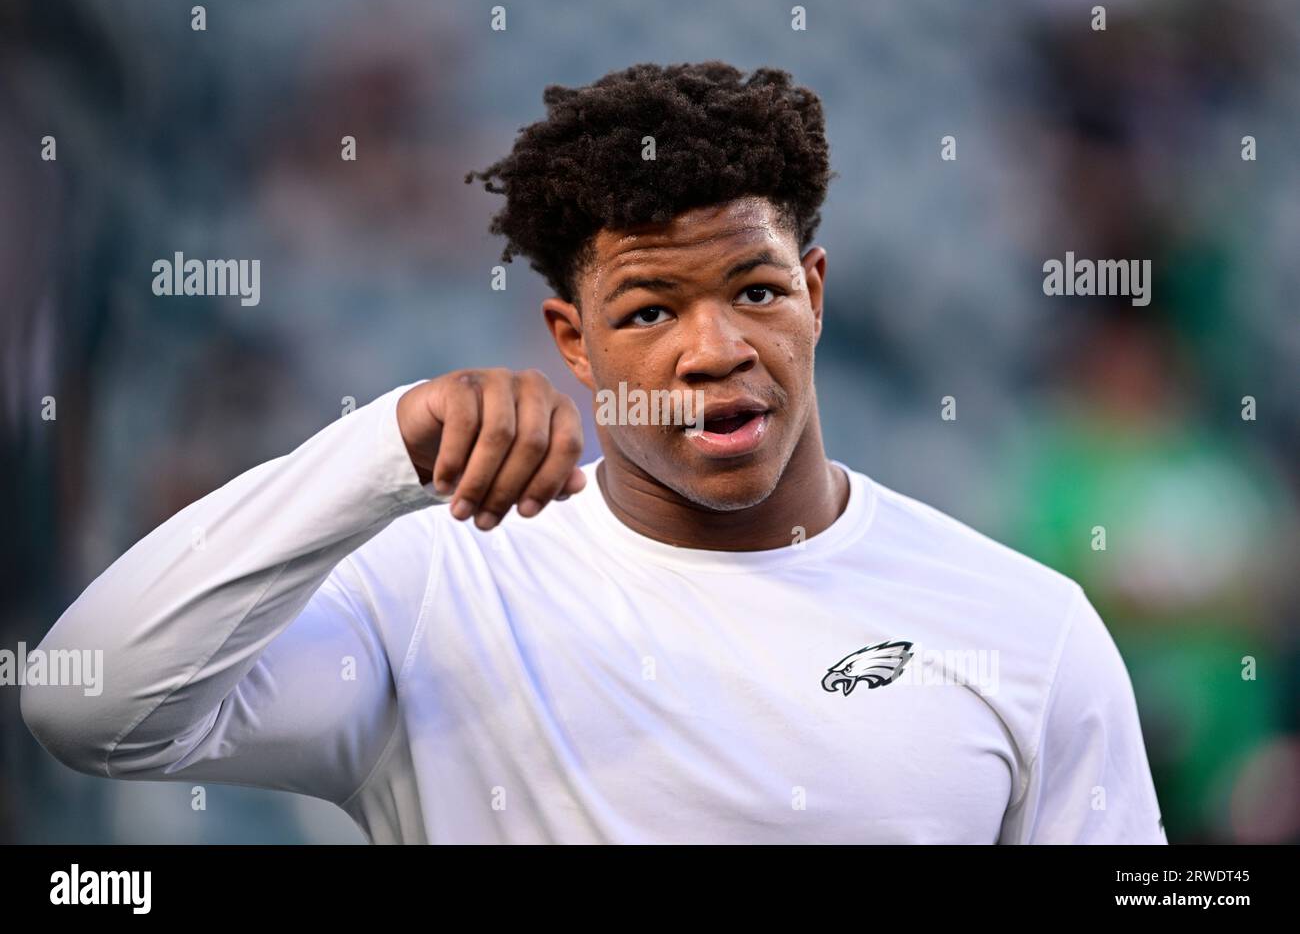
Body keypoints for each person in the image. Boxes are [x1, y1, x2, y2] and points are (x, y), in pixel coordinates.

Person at [22, 61, 1166, 843]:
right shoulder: (436, 588)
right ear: (572, 339)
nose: (715, 349)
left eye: (756, 290)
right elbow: (89, 705)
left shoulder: (1028, 622)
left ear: (813, 294)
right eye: (650, 310)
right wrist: (380, 447)